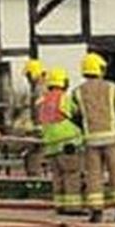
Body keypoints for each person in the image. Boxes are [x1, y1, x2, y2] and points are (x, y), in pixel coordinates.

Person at [71, 52, 115, 223]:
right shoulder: (113, 88)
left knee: (94, 175)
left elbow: (74, 115)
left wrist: (85, 128)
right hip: (112, 137)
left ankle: (96, 212)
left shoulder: (77, 92)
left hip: (91, 139)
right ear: (101, 69)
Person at [37, 67, 84, 215]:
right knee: (72, 175)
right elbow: (77, 114)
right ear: (63, 82)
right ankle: (73, 207)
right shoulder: (64, 98)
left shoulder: (43, 101)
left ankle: (60, 205)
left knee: (57, 176)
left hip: (51, 145)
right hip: (68, 143)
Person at [22, 59, 48, 177]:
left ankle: (35, 179)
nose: (27, 79)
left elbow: (39, 111)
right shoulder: (44, 86)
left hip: (42, 128)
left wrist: (35, 127)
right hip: (46, 127)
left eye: (28, 75)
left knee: (33, 154)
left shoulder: (39, 89)